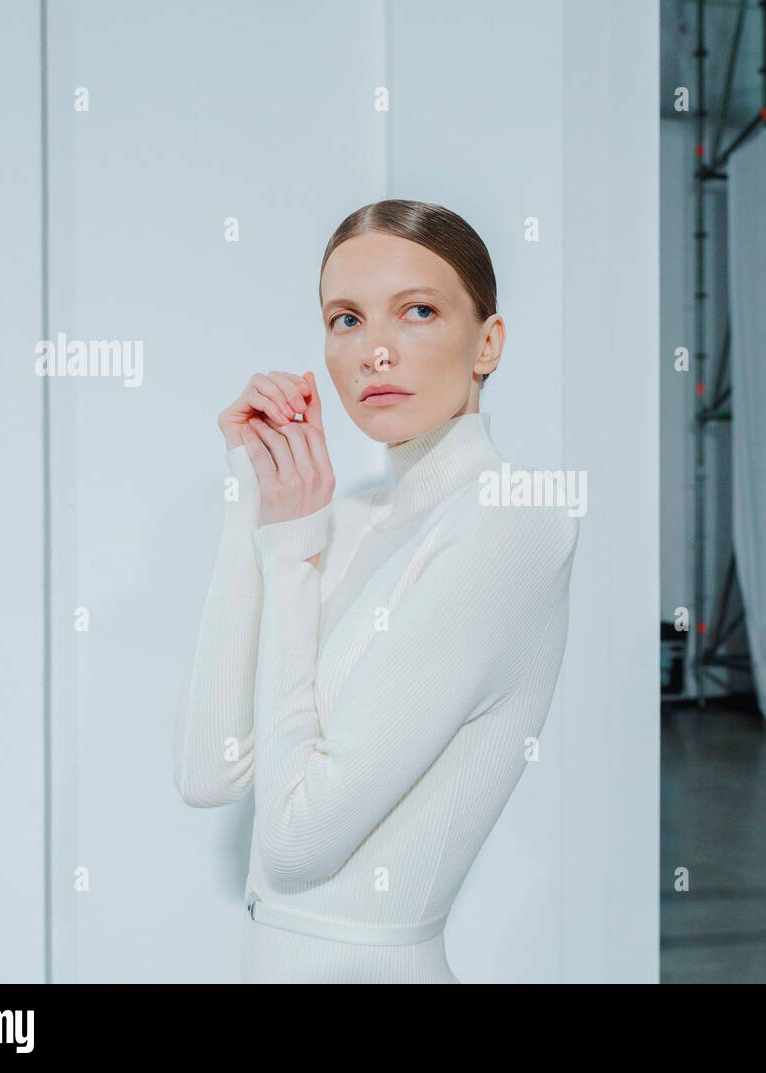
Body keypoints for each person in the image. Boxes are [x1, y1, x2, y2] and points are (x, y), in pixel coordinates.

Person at [172, 199, 579, 982]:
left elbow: (296, 844)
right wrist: (253, 492)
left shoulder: (515, 516)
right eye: (347, 319)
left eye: (417, 311)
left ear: (487, 342)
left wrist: (291, 554)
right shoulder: (345, 516)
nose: (375, 352)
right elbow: (209, 772)